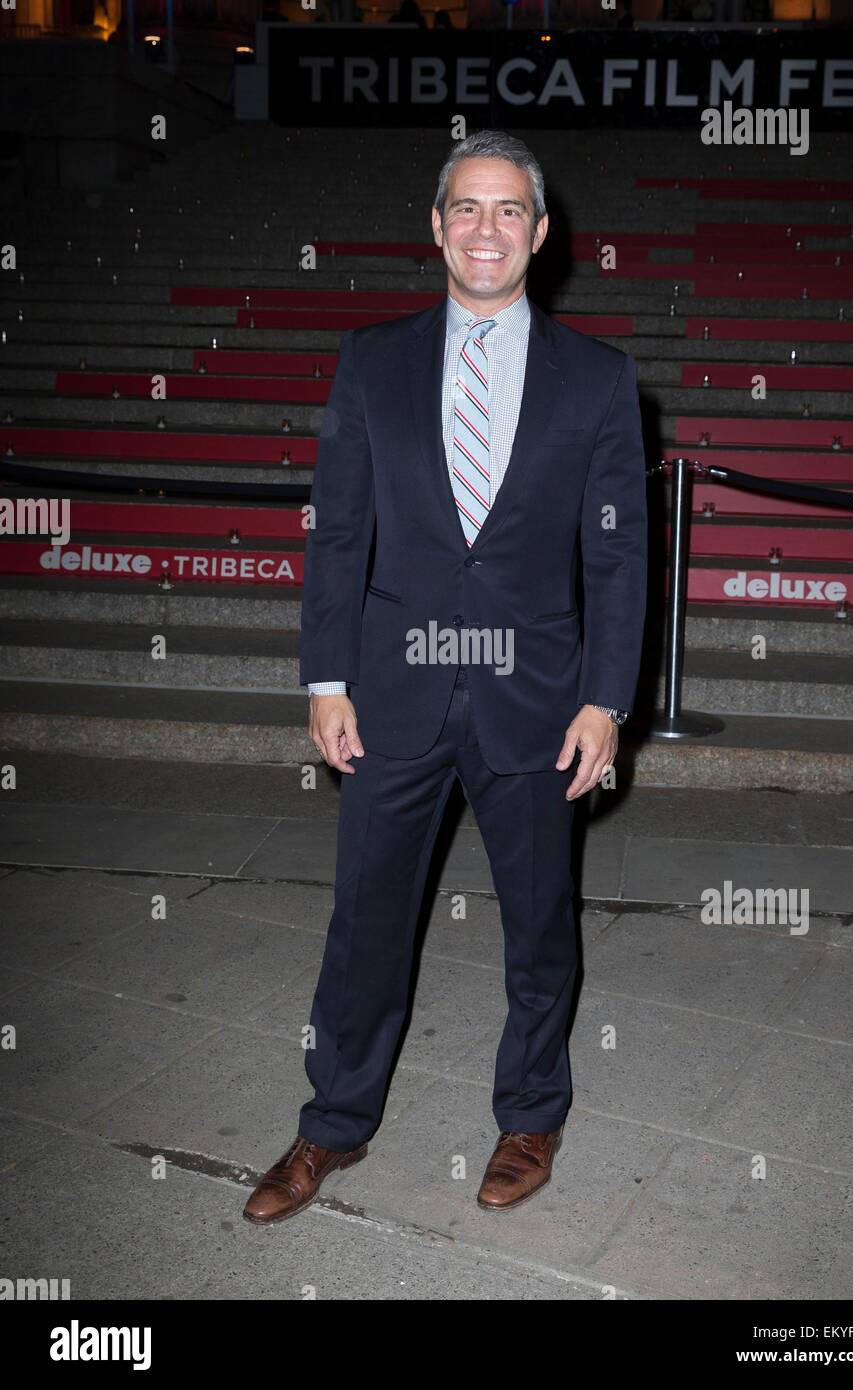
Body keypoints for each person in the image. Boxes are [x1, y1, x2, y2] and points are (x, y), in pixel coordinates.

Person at [244, 129, 647, 1224]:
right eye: (466, 207)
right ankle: (332, 1122)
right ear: (435, 225)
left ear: (542, 233)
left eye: (508, 209)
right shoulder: (370, 358)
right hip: (394, 690)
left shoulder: (601, 381)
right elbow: (337, 538)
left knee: (539, 922)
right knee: (366, 918)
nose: (485, 228)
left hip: (537, 695)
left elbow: (617, 555)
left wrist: (607, 701)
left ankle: (530, 1112)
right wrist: (324, 678)